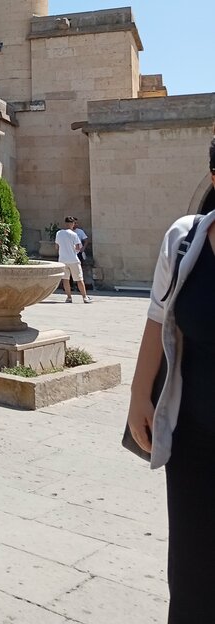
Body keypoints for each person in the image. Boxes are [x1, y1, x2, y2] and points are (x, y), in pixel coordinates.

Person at [127, 135, 215, 623]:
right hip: (195, 436)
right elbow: (159, 317)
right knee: (192, 574)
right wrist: (140, 394)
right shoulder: (185, 240)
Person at [55, 216, 91, 303]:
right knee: (79, 278)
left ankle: (69, 297)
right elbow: (78, 247)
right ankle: (85, 297)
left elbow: (56, 246)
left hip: (63, 259)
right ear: (72, 224)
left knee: (65, 279)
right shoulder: (74, 234)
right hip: (73, 259)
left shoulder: (59, 233)